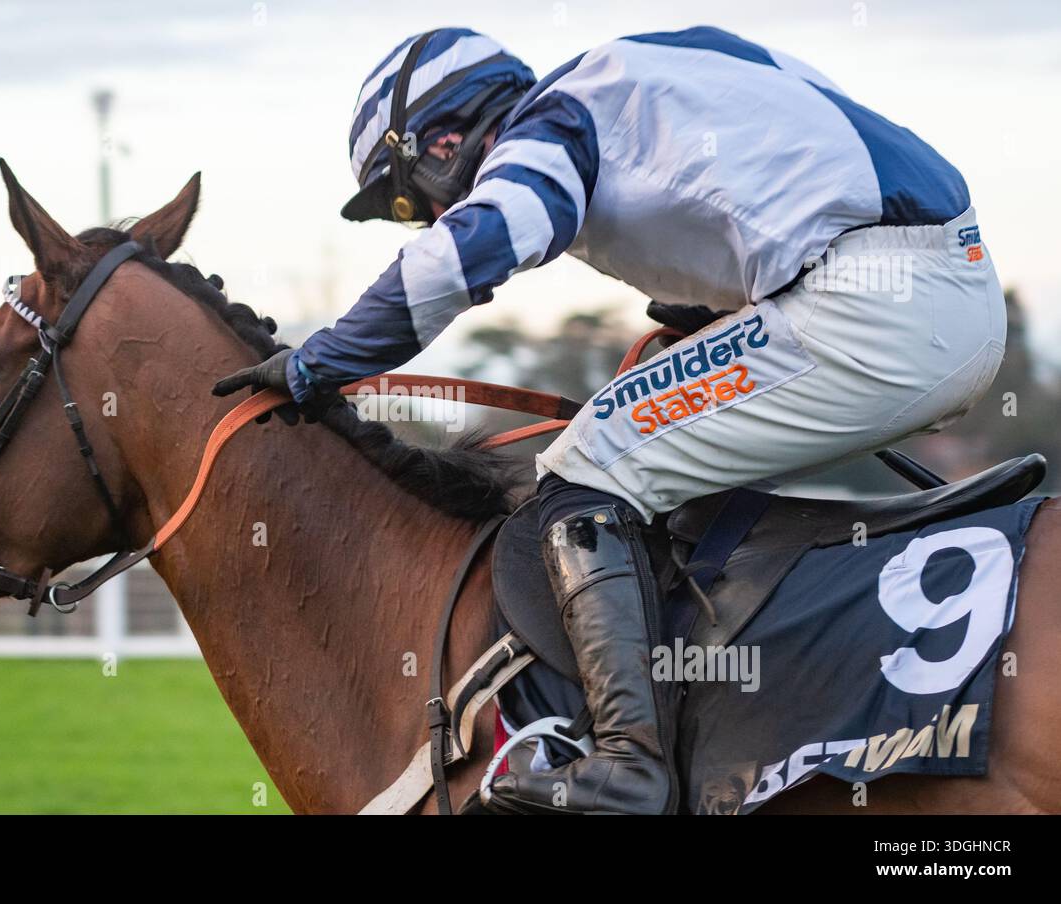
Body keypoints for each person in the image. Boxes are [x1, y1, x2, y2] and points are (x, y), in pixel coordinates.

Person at [212, 26, 1006, 814]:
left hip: (878, 302)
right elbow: (776, 166)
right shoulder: (626, 78)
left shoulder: (553, 124)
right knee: (633, 444)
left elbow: (469, 250)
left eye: (408, 198)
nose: (424, 219)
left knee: (584, 465)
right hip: (931, 280)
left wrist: (322, 359)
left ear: (444, 143)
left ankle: (630, 763)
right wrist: (714, 307)